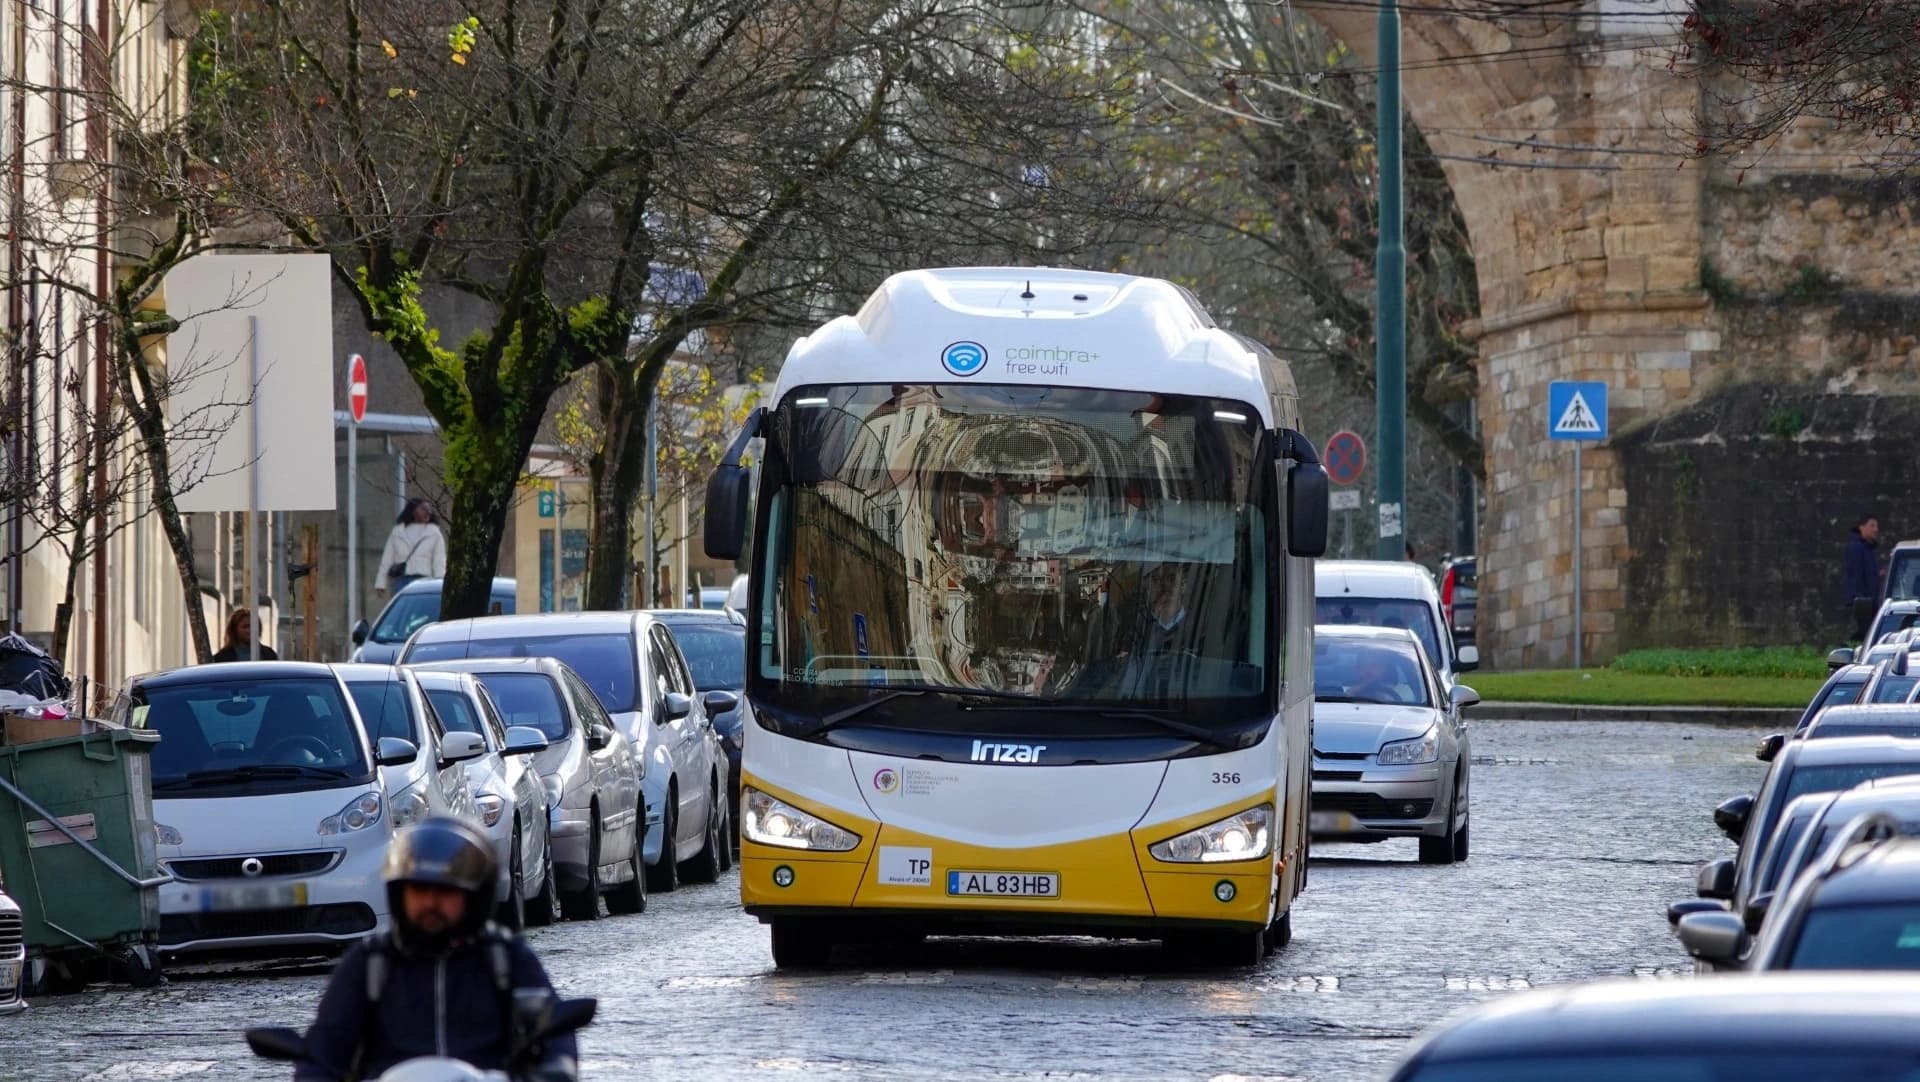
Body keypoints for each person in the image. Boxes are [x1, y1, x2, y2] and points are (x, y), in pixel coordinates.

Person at [297, 817, 579, 1082]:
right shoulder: (370, 963)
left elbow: (553, 1025)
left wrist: (558, 1065)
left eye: (445, 893)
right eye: (419, 891)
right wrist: (314, 1072)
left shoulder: (504, 957)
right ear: (400, 894)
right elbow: (327, 1041)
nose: (431, 903)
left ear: (473, 897)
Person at [377, 498, 447, 598]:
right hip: (401, 580)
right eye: (423, 509)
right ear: (413, 510)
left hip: (425, 580)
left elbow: (439, 561)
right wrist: (380, 583)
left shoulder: (434, 533)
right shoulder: (398, 531)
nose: (428, 512)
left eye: (429, 510)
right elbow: (387, 558)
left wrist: (441, 584)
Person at [1845, 512, 1883, 641]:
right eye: (1872, 526)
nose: (1876, 529)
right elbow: (1855, 576)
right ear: (1862, 527)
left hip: (1870, 600)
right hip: (1864, 602)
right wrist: (1862, 600)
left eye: (1876, 526)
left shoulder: (1868, 549)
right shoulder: (1857, 548)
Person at [210, 608, 278, 663]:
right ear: (234, 629)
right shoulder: (222, 658)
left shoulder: (269, 655)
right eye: (245, 627)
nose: (250, 630)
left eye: (254, 626)